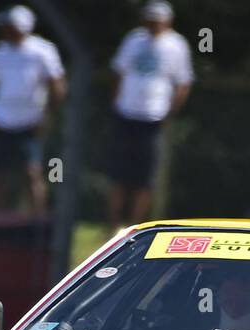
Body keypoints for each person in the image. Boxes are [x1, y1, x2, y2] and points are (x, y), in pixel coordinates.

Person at [107, 1, 194, 232]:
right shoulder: (133, 39)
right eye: (149, 19)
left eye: (157, 20)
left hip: (153, 118)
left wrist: (170, 112)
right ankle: (112, 225)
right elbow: (119, 71)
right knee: (119, 174)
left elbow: (183, 82)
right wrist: (117, 102)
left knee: (145, 178)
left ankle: (133, 226)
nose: (152, 25)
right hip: (127, 114)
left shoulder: (177, 45)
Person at [0, 5, 65, 214]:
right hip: (1, 119)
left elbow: (56, 85)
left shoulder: (43, 51)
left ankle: (37, 217)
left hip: (30, 122)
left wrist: (47, 116)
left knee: (31, 171)